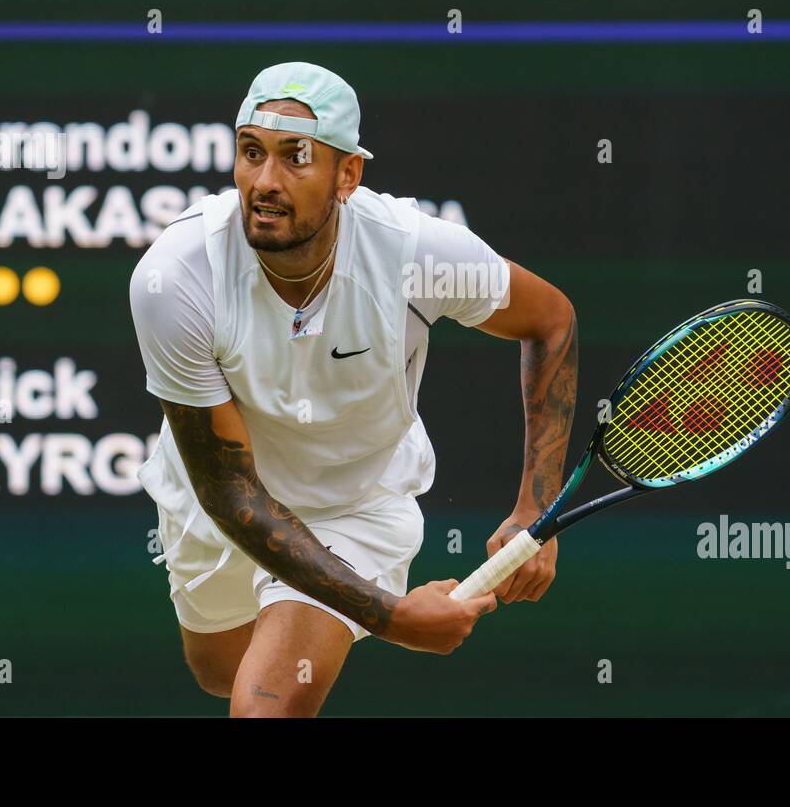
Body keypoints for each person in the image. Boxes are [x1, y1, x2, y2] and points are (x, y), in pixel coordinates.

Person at [129, 61, 577, 716]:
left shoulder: (415, 256)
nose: (265, 181)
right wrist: (395, 618)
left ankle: (325, 612)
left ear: (348, 176)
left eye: (296, 158)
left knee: (263, 708)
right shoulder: (174, 280)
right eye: (251, 153)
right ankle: (332, 616)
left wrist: (532, 511)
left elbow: (550, 320)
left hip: (352, 505)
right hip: (219, 503)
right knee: (218, 673)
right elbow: (230, 492)